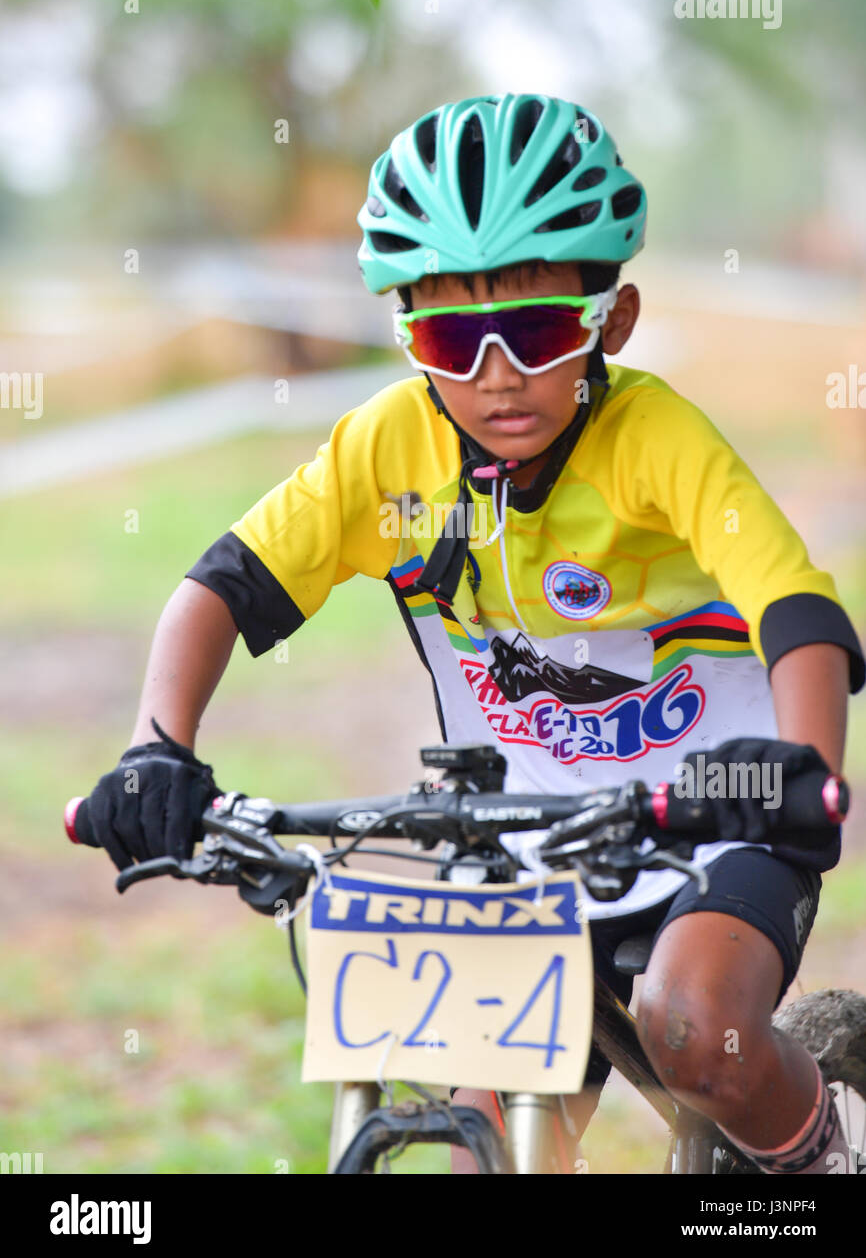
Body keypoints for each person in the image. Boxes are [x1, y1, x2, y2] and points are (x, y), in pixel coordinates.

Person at [83, 93, 864, 1175]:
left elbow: (798, 612)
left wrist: (805, 771)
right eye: (452, 338)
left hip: (718, 815)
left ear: (612, 321)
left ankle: (821, 1159)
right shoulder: (386, 451)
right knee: (476, 1153)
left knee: (693, 1029)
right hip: (526, 844)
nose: (495, 374)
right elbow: (220, 583)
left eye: (536, 330)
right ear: (408, 337)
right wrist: (155, 745)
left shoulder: (656, 438)